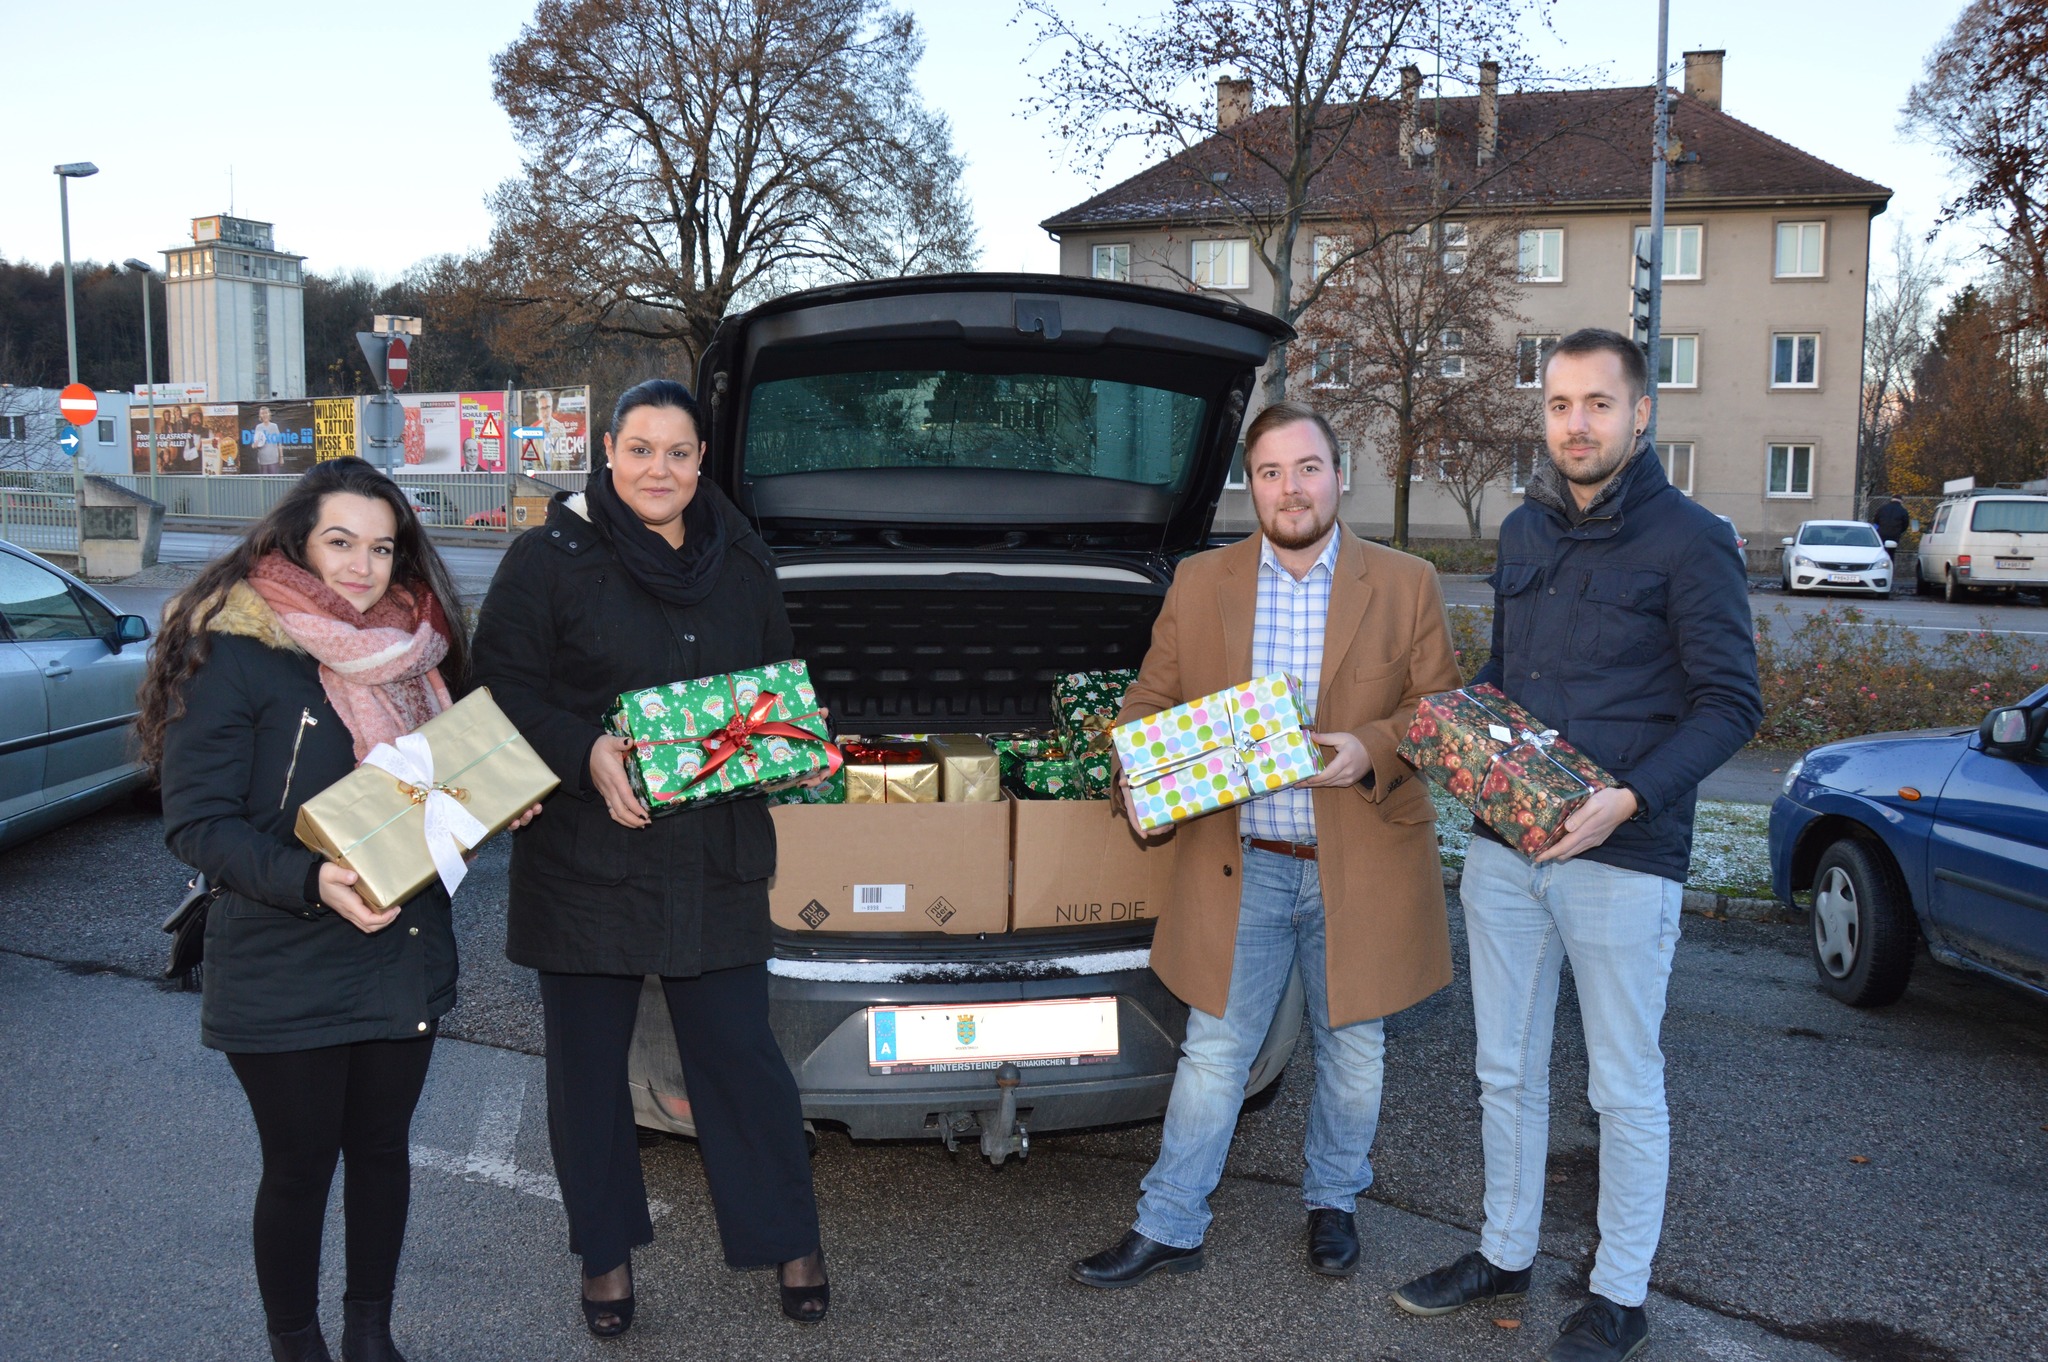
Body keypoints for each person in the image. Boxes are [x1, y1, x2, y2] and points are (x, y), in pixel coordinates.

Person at [1392, 329, 1761, 1362]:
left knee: (1620, 1084)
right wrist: (1458, 738)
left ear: (1639, 414)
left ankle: (1618, 1296)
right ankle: (1502, 1251)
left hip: (1620, 858)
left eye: (1597, 404)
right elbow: (1507, 680)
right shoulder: (1519, 533)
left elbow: (1732, 704)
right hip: (1506, 854)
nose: (1576, 423)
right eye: (1558, 405)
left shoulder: (1691, 541)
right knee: (1502, 1068)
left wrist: (1628, 800)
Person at [140, 457, 538, 1362]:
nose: (362, 566)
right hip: (282, 954)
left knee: (382, 1154)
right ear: (295, 543)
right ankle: (297, 1344)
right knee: (299, 1169)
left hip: (403, 951)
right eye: (340, 542)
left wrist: (490, 800)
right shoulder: (236, 650)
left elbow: (430, 799)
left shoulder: (417, 656)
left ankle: (370, 1335)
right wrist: (309, 880)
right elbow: (196, 826)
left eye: (381, 547)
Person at [1069, 401, 1463, 1289]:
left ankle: (1334, 1203)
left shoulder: (1406, 582)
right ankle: (1170, 1223)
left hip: (1358, 865)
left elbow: (1437, 715)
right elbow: (1148, 705)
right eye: (1274, 472)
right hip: (1241, 863)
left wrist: (1372, 748)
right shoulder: (1203, 582)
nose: (1293, 488)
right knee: (1215, 1052)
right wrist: (1140, 773)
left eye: (1310, 468)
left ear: (1338, 474)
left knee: (1355, 1053)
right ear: (1253, 485)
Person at [469, 378, 829, 1335]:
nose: (657, 470)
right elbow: (499, 690)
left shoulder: (744, 560)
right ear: (607, 449)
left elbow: (775, 686)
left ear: (701, 460)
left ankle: (789, 1234)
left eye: (677, 452)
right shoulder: (547, 560)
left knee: (742, 1062)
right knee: (588, 1076)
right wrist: (584, 751)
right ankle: (605, 1259)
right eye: (640, 450)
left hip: (714, 856)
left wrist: (785, 739)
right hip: (587, 862)